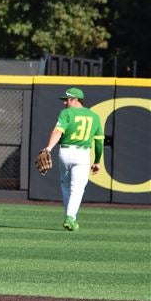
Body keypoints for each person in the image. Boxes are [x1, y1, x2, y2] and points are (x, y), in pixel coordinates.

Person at [41, 87, 104, 231]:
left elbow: (57, 131)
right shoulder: (94, 116)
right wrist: (97, 161)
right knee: (77, 188)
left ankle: (70, 218)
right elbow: (99, 142)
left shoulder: (66, 113)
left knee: (66, 186)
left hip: (65, 153)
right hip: (82, 154)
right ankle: (70, 217)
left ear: (75, 100)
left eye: (67, 100)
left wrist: (49, 148)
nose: (64, 103)